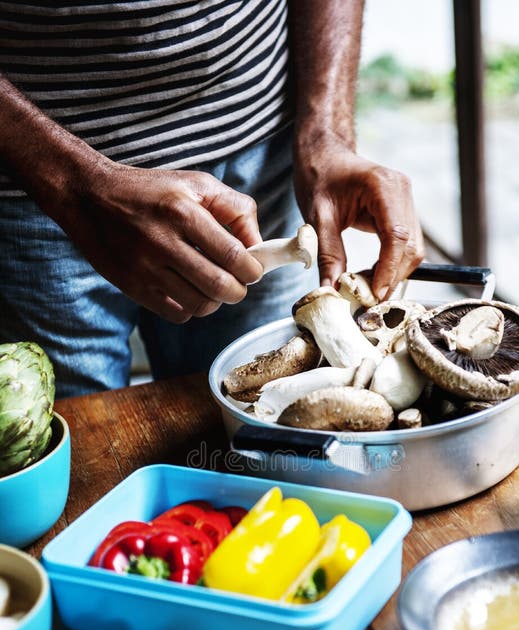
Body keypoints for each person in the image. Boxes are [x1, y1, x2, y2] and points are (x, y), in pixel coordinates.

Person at [0, 1, 424, 398]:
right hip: (36, 187)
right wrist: (72, 185)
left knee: (257, 414)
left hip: (261, 154)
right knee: (80, 434)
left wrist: (326, 131)